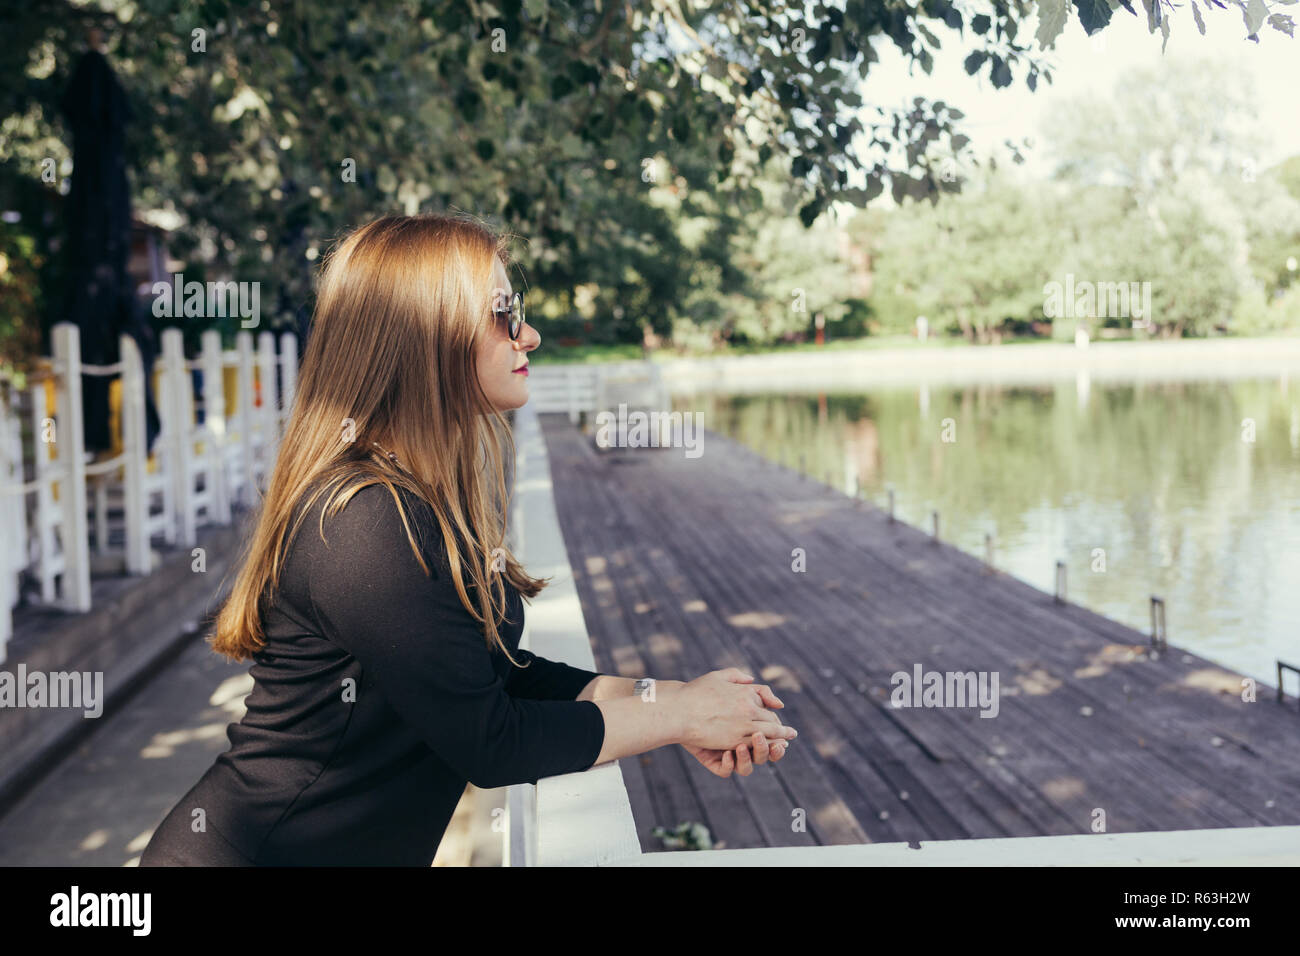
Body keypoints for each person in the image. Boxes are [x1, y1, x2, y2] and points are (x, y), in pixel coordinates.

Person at [139, 213, 796, 866]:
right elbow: (492, 742)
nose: (529, 335)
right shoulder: (364, 519)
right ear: (426, 332)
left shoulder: (413, 497)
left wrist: (679, 702)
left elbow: (493, 679)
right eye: (504, 315)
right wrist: (678, 719)